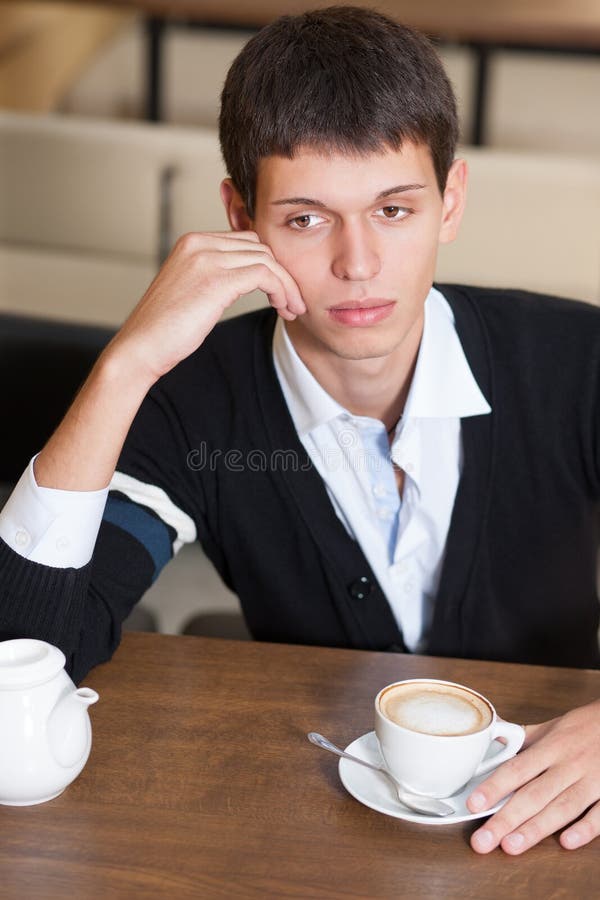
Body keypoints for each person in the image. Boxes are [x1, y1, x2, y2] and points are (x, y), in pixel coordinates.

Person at [1, 6, 599, 856]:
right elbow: (25, 652)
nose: (357, 264)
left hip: (554, 831)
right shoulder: (194, 405)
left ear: (450, 201)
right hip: (311, 833)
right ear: (240, 219)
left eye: (393, 210)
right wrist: (124, 368)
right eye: (307, 219)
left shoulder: (576, 362)